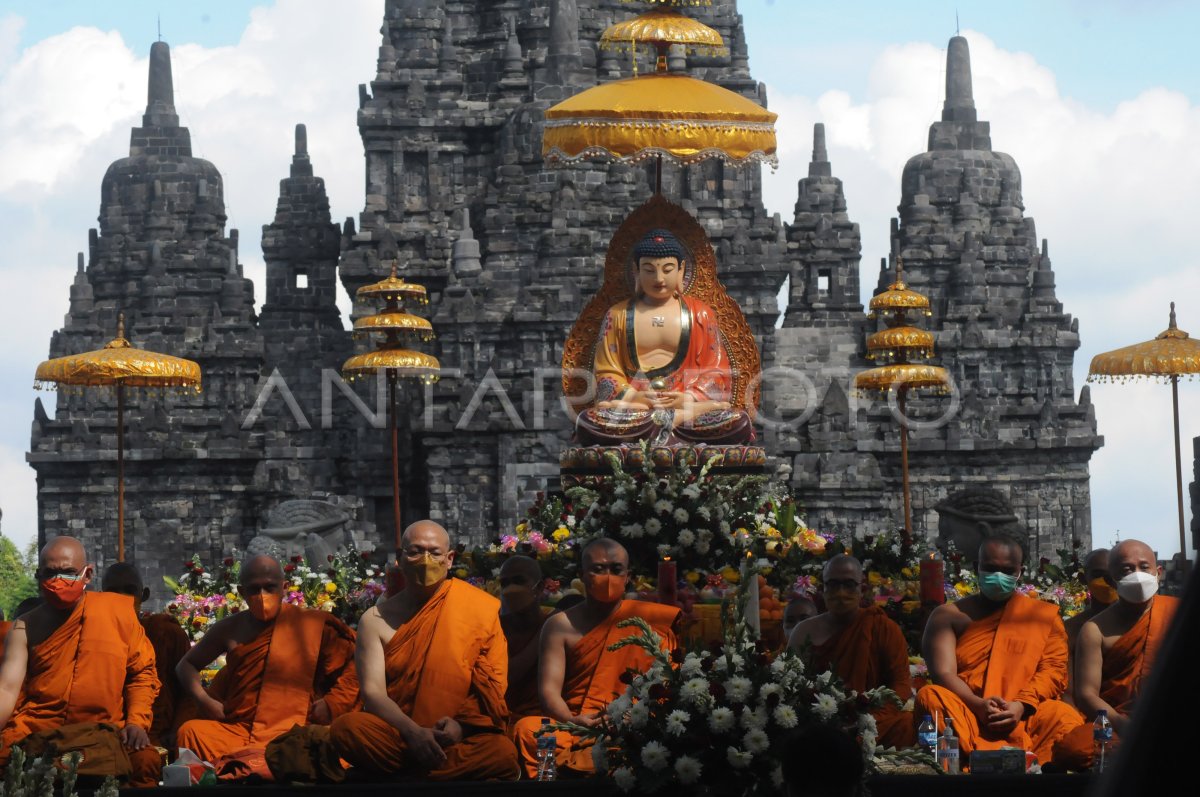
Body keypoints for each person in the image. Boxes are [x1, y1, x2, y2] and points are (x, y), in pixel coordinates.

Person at [329, 521, 518, 780]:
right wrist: (413, 733)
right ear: (400, 558)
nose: (426, 560)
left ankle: (404, 775)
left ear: (450, 559)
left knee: (501, 751)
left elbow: (494, 682)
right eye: (415, 551)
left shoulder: (477, 608)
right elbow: (373, 694)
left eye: (435, 553)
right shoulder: (375, 620)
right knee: (346, 729)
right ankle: (434, 772)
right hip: (399, 732)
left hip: (454, 735)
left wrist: (460, 727)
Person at [512, 538, 682, 777]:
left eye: (616, 569)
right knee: (529, 730)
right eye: (598, 569)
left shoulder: (651, 621)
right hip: (574, 722)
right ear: (582, 575)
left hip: (629, 722)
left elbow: (664, 687)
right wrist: (572, 720)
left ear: (629, 576)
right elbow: (549, 691)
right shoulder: (560, 624)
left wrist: (633, 716)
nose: (608, 577)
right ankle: (553, 781)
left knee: (661, 735)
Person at [0, 536, 161, 787]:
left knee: (144, 761)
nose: (59, 580)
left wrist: (136, 723)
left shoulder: (117, 613)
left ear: (87, 575)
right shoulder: (24, 625)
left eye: (68, 572)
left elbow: (141, 674)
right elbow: (6, 689)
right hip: (40, 730)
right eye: (50, 573)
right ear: (38, 576)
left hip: (105, 731)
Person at [574, 228, 753, 445]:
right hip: (637, 409)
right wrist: (634, 397)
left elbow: (716, 371)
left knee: (738, 421)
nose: (659, 279)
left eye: (667, 269)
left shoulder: (701, 314)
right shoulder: (617, 315)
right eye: (649, 270)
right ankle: (667, 424)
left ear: (681, 270)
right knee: (588, 421)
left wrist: (688, 398)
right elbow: (606, 372)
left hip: (686, 408)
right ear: (636, 271)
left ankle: (671, 421)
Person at [175, 554, 359, 763]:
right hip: (241, 730)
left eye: (270, 587)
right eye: (254, 589)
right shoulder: (229, 629)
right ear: (242, 592)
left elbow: (357, 663)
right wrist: (204, 700)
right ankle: (265, 765)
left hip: (298, 729)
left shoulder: (312, 625)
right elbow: (186, 665)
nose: (262, 596)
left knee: (330, 741)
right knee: (190, 732)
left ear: (285, 587)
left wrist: (333, 703)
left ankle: (255, 765)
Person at [916, 534, 1078, 766]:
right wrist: (978, 705)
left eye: (1008, 571)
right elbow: (943, 674)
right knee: (930, 697)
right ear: (976, 567)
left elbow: (1053, 671)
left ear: (1019, 572)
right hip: (968, 713)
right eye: (990, 568)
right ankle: (967, 760)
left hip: (1026, 716)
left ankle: (1037, 767)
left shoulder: (1043, 616)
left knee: (1062, 715)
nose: (999, 577)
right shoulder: (948, 616)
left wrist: (1020, 706)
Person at [1051, 539, 1180, 770]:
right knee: (1073, 749)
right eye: (1127, 570)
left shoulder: (1179, 614)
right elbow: (1087, 695)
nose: (1137, 574)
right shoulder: (1095, 629)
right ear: (1111, 580)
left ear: (1158, 573)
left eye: (1144, 567)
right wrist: (1124, 725)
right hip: (1119, 724)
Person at [788, 555, 914, 748]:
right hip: (820, 722)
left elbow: (901, 684)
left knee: (907, 725)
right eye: (833, 585)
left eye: (849, 584)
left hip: (872, 722)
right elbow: (790, 684)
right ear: (822, 589)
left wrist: (869, 721)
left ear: (862, 589)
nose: (840, 593)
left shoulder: (882, 627)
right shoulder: (804, 631)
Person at [103, 560, 193, 748]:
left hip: (161, 730)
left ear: (144, 595)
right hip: (111, 731)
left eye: (129, 590)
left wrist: (177, 728)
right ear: (102, 596)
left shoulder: (164, 631)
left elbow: (188, 690)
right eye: (113, 592)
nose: (122, 598)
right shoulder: (94, 636)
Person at [498, 556, 547, 733]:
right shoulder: (494, 626)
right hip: (500, 720)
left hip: (544, 720)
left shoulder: (556, 623)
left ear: (540, 587)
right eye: (505, 583)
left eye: (519, 581)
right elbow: (505, 677)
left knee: (545, 752)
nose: (511, 589)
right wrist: (544, 636)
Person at [1062, 548, 1113, 705]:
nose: (1106, 581)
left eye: (1112, 575)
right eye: (1098, 574)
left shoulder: (1137, 622)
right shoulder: (1070, 629)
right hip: (1083, 715)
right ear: (1084, 578)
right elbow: (1068, 692)